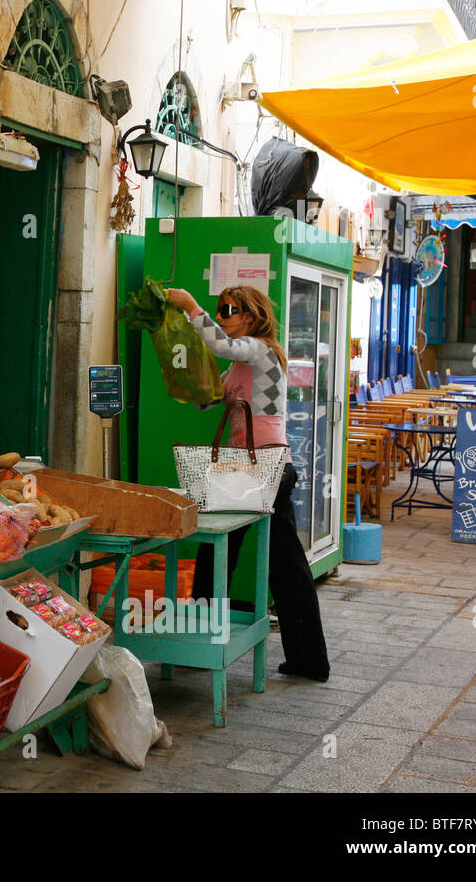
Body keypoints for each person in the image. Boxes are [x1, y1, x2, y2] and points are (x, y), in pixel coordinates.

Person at [164, 284, 330, 682]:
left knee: (285, 567)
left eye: (228, 310)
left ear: (251, 317)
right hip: (241, 472)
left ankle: (309, 661)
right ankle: (199, 643)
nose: (221, 316)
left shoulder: (261, 350)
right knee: (216, 554)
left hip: (270, 468)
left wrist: (190, 306)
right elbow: (210, 397)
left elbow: (224, 346)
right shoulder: (240, 365)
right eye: (219, 310)